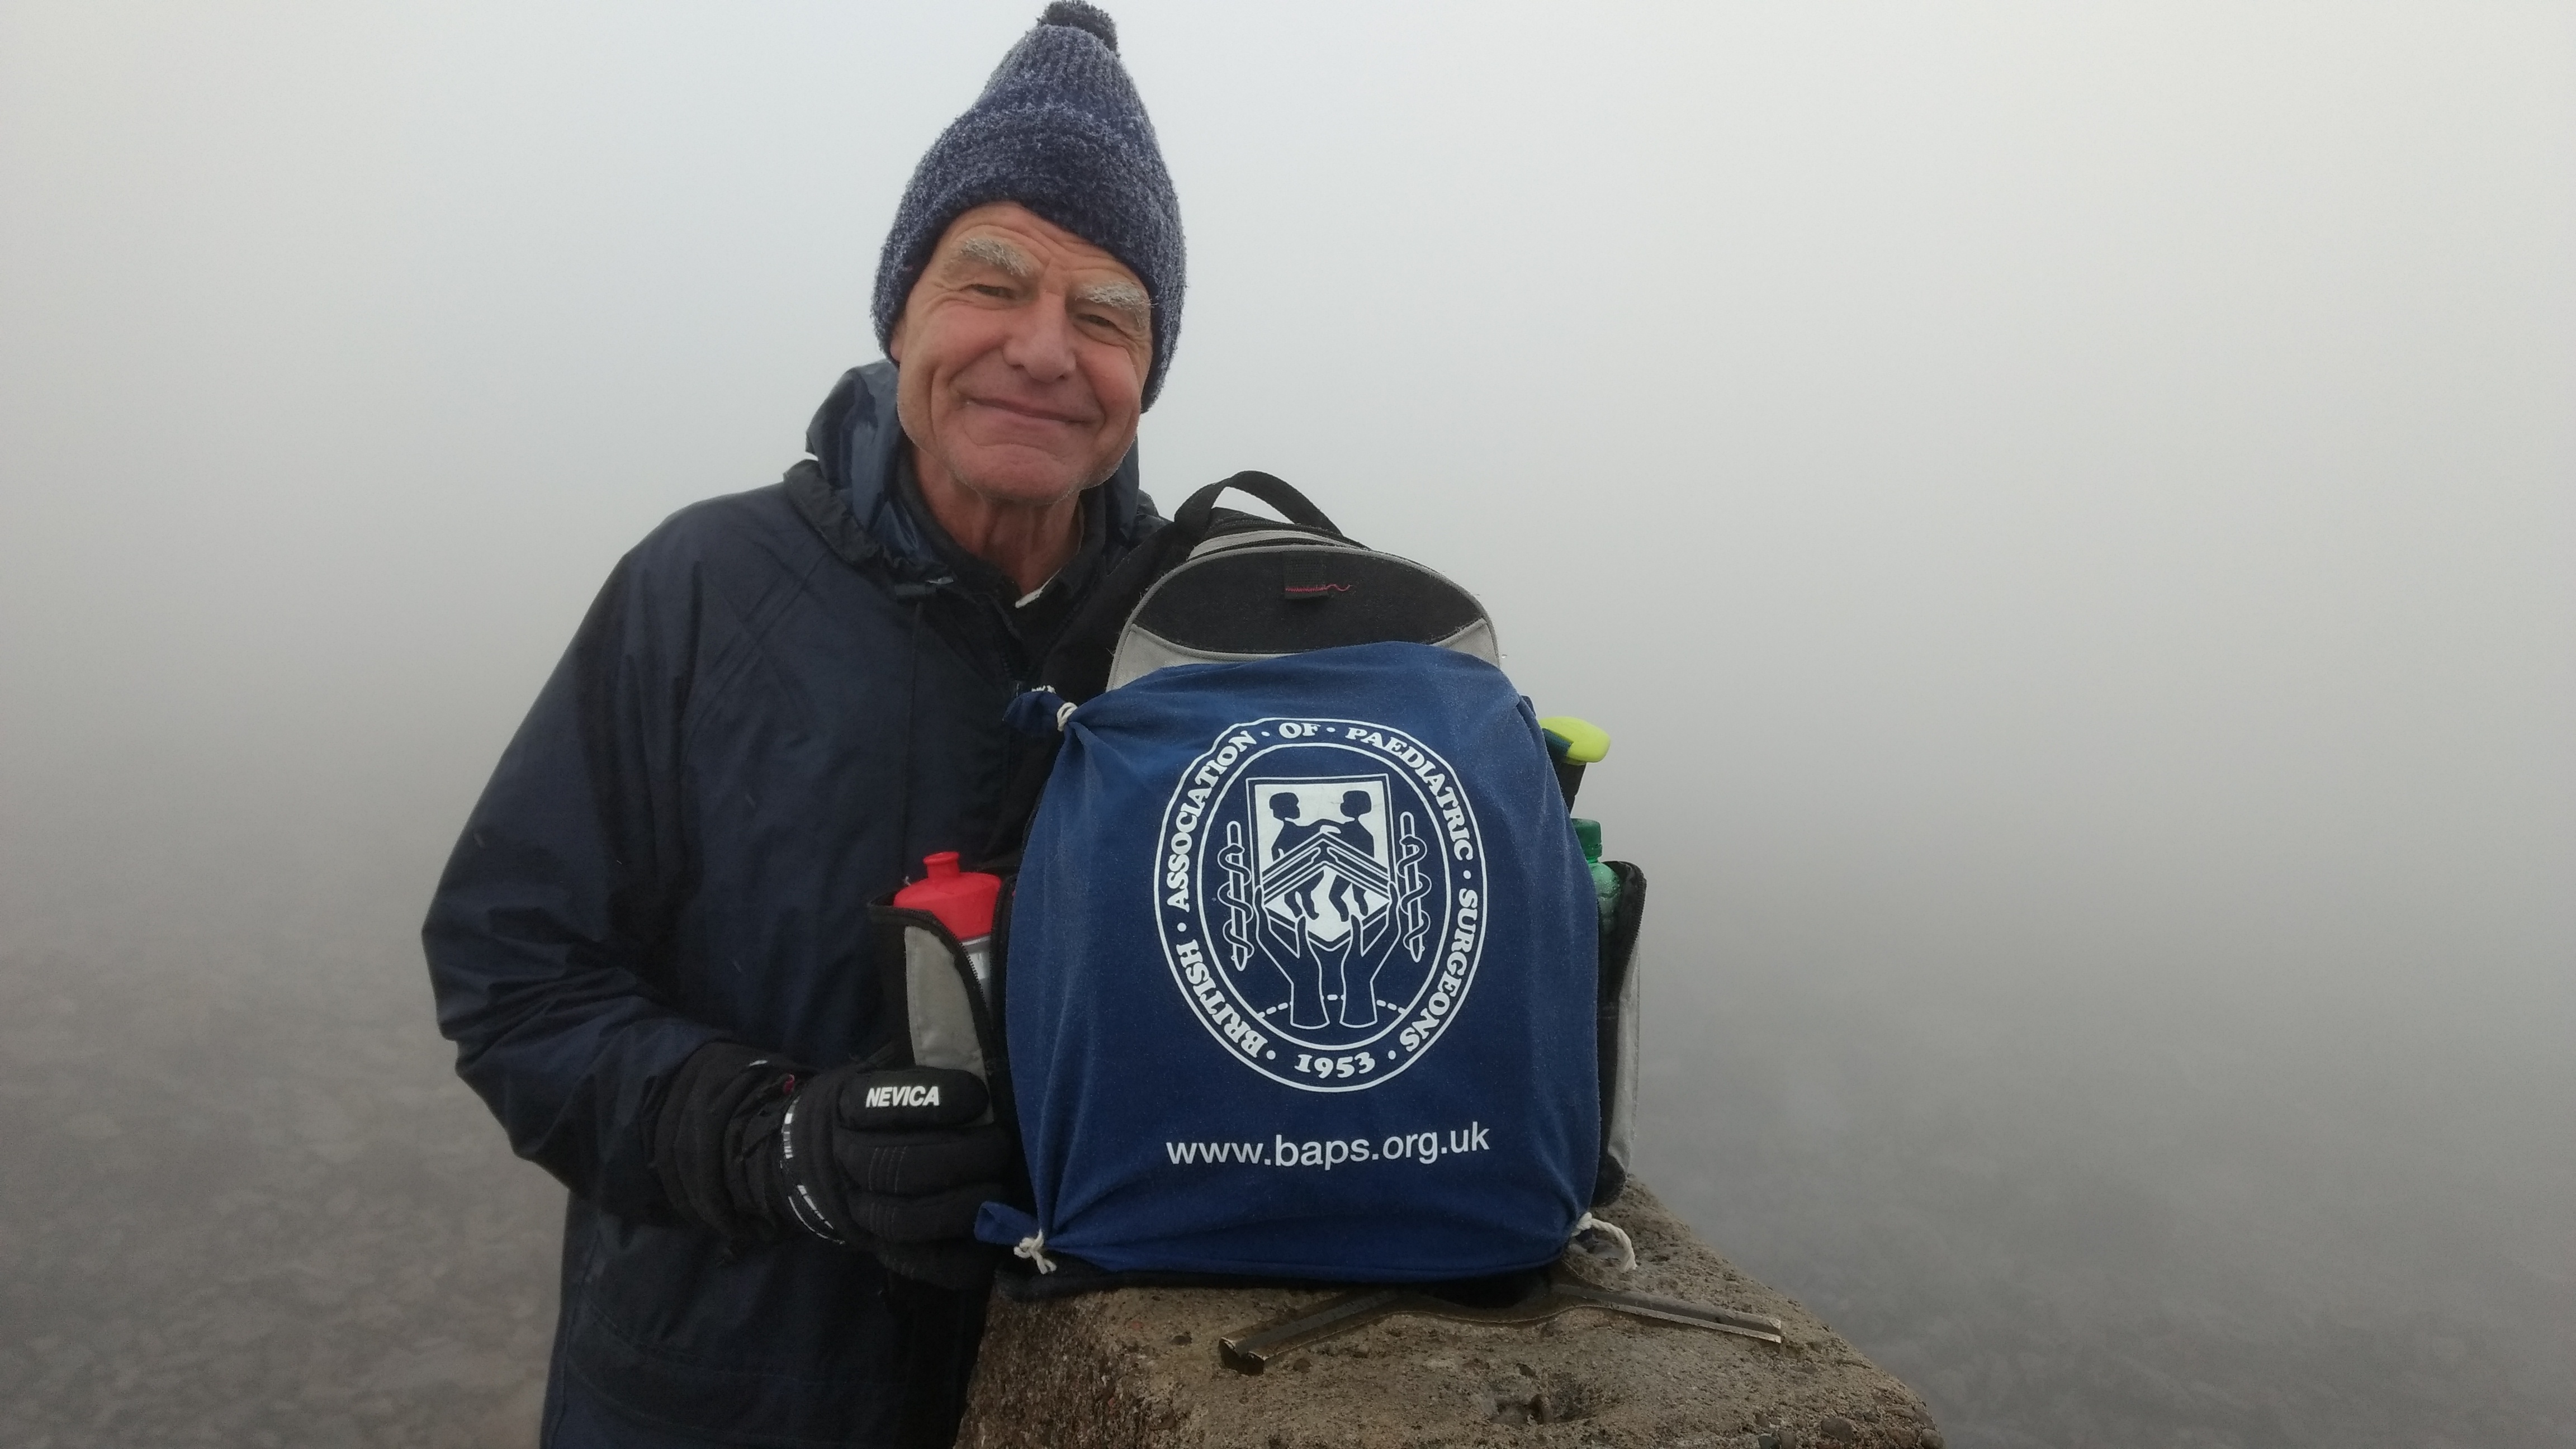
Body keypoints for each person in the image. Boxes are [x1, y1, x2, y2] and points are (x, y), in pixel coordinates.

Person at [420, 6, 1182, 1445]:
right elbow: (511, 971)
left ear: (1149, 373)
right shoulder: (702, 591)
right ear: (899, 314)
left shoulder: (1192, 652)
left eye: (1105, 314)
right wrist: (778, 1141)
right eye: (991, 283)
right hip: (710, 1395)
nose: (1042, 349)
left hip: (1063, 1395)